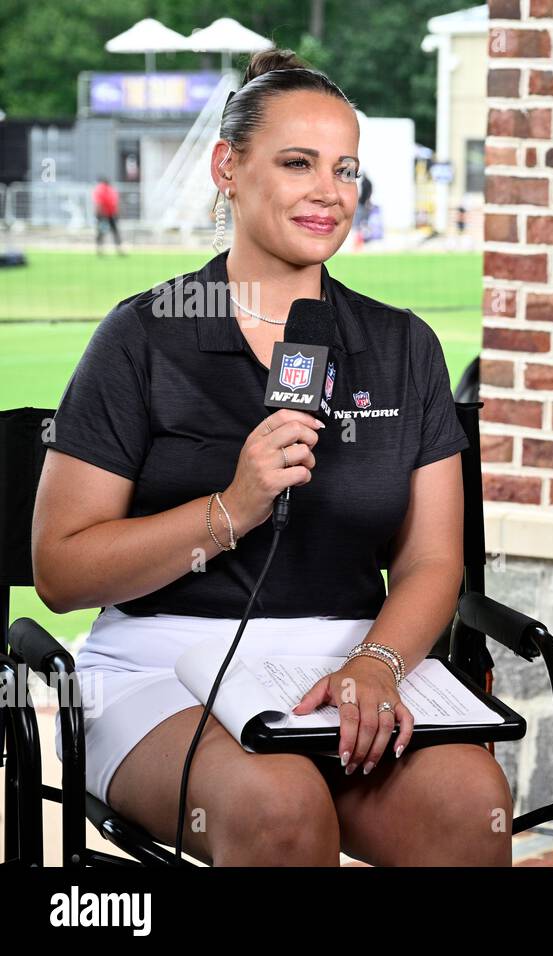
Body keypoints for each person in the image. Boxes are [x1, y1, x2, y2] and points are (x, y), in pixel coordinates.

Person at [33, 49, 512, 866]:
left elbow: (434, 561)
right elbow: (61, 570)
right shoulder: (141, 336)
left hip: (346, 667)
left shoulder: (404, 345)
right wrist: (230, 510)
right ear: (228, 167)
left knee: (473, 805)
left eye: (347, 169)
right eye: (298, 163)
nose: (330, 192)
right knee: (280, 807)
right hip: (160, 667)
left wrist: (379, 661)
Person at [92, 177, 124, 256]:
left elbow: (98, 203)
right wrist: (117, 214)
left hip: (103, 215)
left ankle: (99, 250)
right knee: (114, 232)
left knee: (101, 232)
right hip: (110, 215)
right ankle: (118, 250)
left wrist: (97, 214)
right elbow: (116, 203)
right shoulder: (111, 190)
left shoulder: (99, 189)